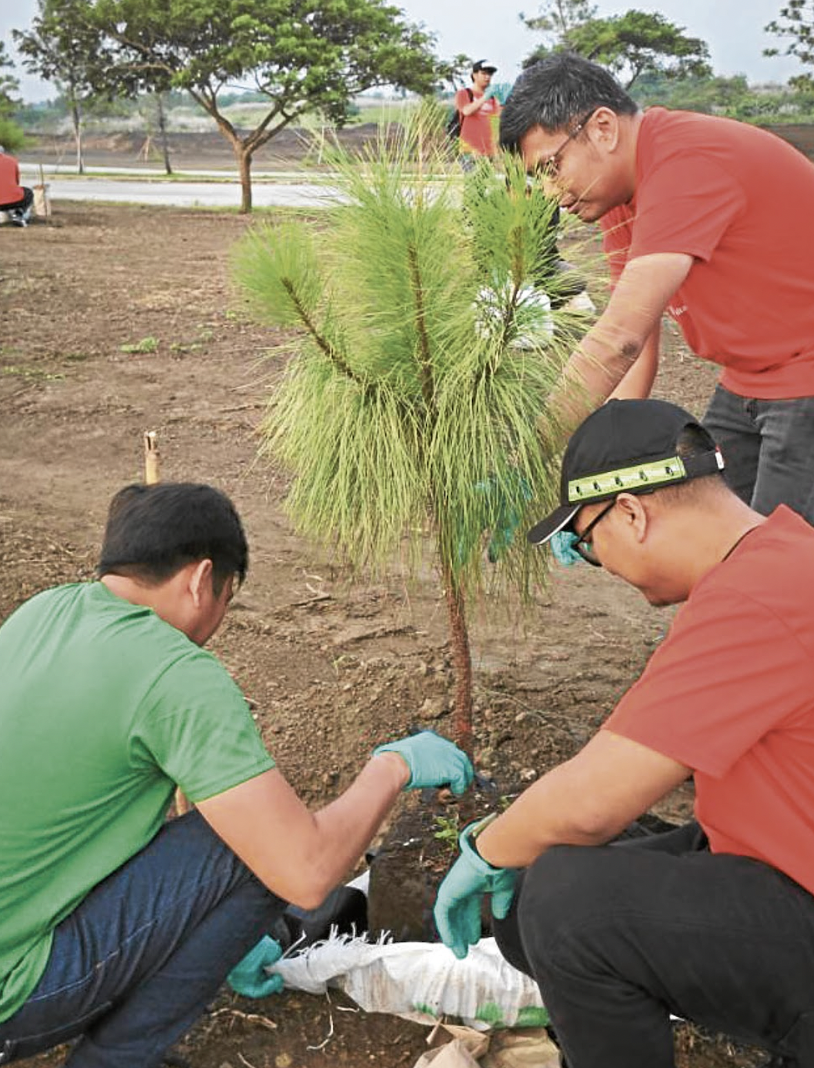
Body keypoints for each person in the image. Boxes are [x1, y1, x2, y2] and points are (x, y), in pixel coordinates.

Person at [0, 481, 473, 1068]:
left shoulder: (44, 612)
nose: (221, 614)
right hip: (12, 998)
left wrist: (206, 923)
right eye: (229, 594)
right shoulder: (174, 672)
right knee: (245, 847)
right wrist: (392, 767)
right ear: (202, 580)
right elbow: (305, 874)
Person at [434, 397, 814, 1068]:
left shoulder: (758, 601)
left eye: (584, 542)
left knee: (567, 906)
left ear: (632, 512)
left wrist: (482, 850)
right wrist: (510, 851)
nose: (590, 560)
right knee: (535, 886)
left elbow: (591, 803)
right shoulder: (781, 555)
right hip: (781, 859)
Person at [499, 52, 814, 525]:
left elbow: (617, 340)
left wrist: (525, 461)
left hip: (804, 374)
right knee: (711, 529)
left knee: (779, 562)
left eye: (551, 167)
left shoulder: (684, 163)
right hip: (748, 375)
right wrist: (597, 471)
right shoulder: (618, 196)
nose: (550, 193)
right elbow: (639, 344)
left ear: (602, 128)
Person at [454, 60, 502, 170]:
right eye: (484, 73)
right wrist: (484, 97)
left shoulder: (493, 98)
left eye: (489, 74)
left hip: (488, 151)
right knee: (473, 184)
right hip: (470, 150)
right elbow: (466, 111)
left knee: (484, 185)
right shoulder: (464, 93)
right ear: (474, 75)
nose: (487, 77)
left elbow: (497, 120)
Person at [0, 146, 33, 228]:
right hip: (14, 200)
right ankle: (19, 215)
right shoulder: (12, 160)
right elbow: (17, 181)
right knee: (28, 193)